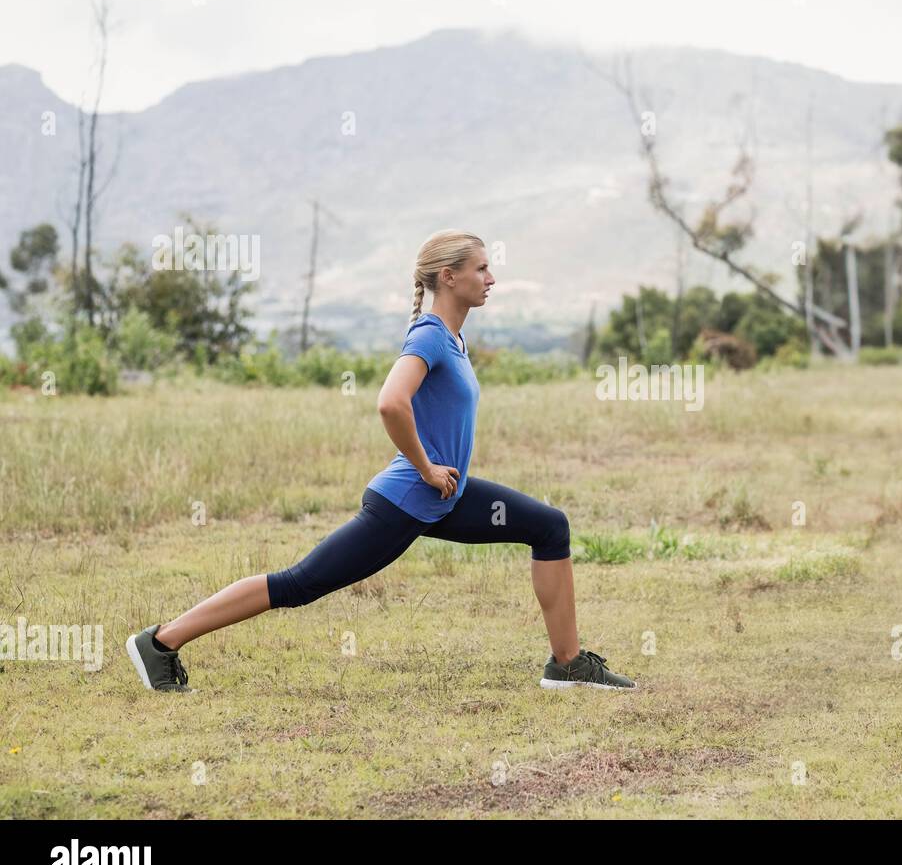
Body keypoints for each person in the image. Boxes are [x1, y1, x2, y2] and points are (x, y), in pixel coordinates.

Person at [126, 229, 636, 693]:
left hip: (444, 497)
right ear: (448, 276)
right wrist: (426, 467)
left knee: (549, 527)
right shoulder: (430, 335)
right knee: (299, 584)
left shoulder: (453, 339)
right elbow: (390, 402)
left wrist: (437, 475)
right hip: (410, 500)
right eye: (481, 268)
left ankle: (567, 664)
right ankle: (162, 642)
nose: (491, 277)